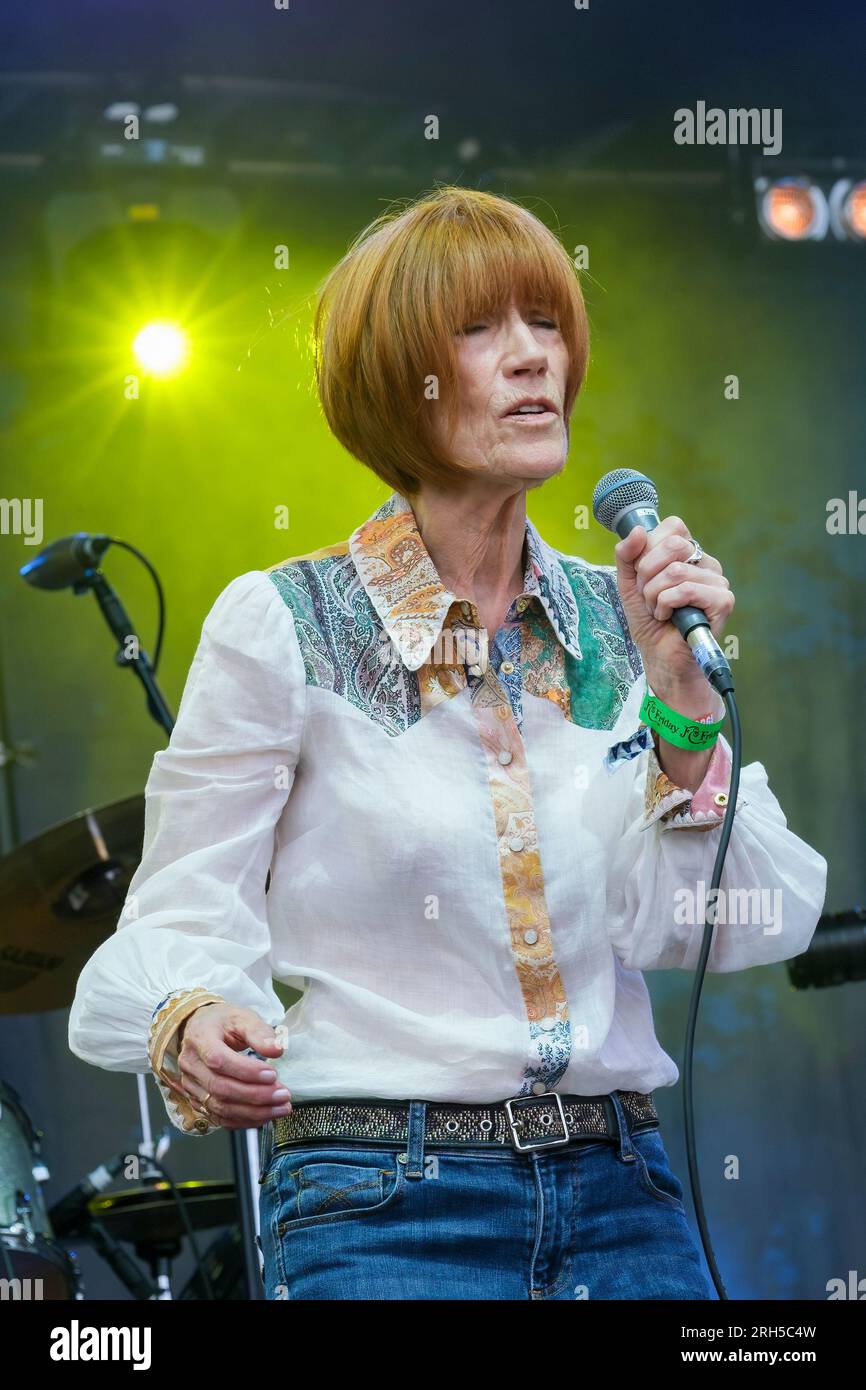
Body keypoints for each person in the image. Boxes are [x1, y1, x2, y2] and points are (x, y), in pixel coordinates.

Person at [68, 185, 827, 1301]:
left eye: (544, 322)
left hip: (623, 1185)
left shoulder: (621, 617)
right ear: (395, 382)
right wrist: (189, 1014)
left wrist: (681, 710)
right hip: (381, 1199)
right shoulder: (283, 620)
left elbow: (704, 926)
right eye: (478, 330)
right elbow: (183, 909)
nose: (530, 359)